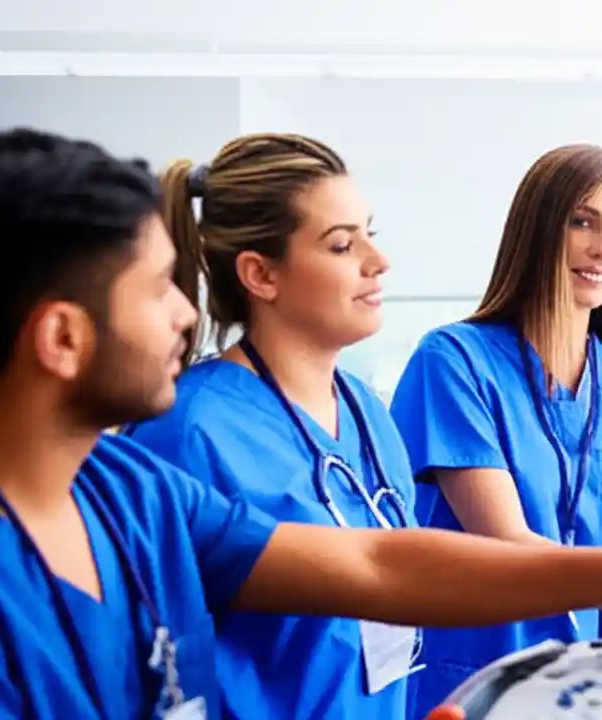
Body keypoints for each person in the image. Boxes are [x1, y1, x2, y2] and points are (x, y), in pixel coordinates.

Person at [0, 128, 602, 719]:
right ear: (62, 337)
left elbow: (378, 563)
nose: (181, 313)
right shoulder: (185, 440)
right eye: (157, 288)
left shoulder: (136, 493)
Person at [390, 143, 602, 716]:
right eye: (582, 222)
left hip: (584, 691)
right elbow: (509, 547)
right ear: (538, 230)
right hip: (474, 683)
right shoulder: (453, 361)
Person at [120, 132, 414, 718]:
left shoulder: (368, 411)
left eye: (370, 236)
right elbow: (147, 659)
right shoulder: (185, 430)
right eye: (340, 246)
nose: (379, 263)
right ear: (261, 275)